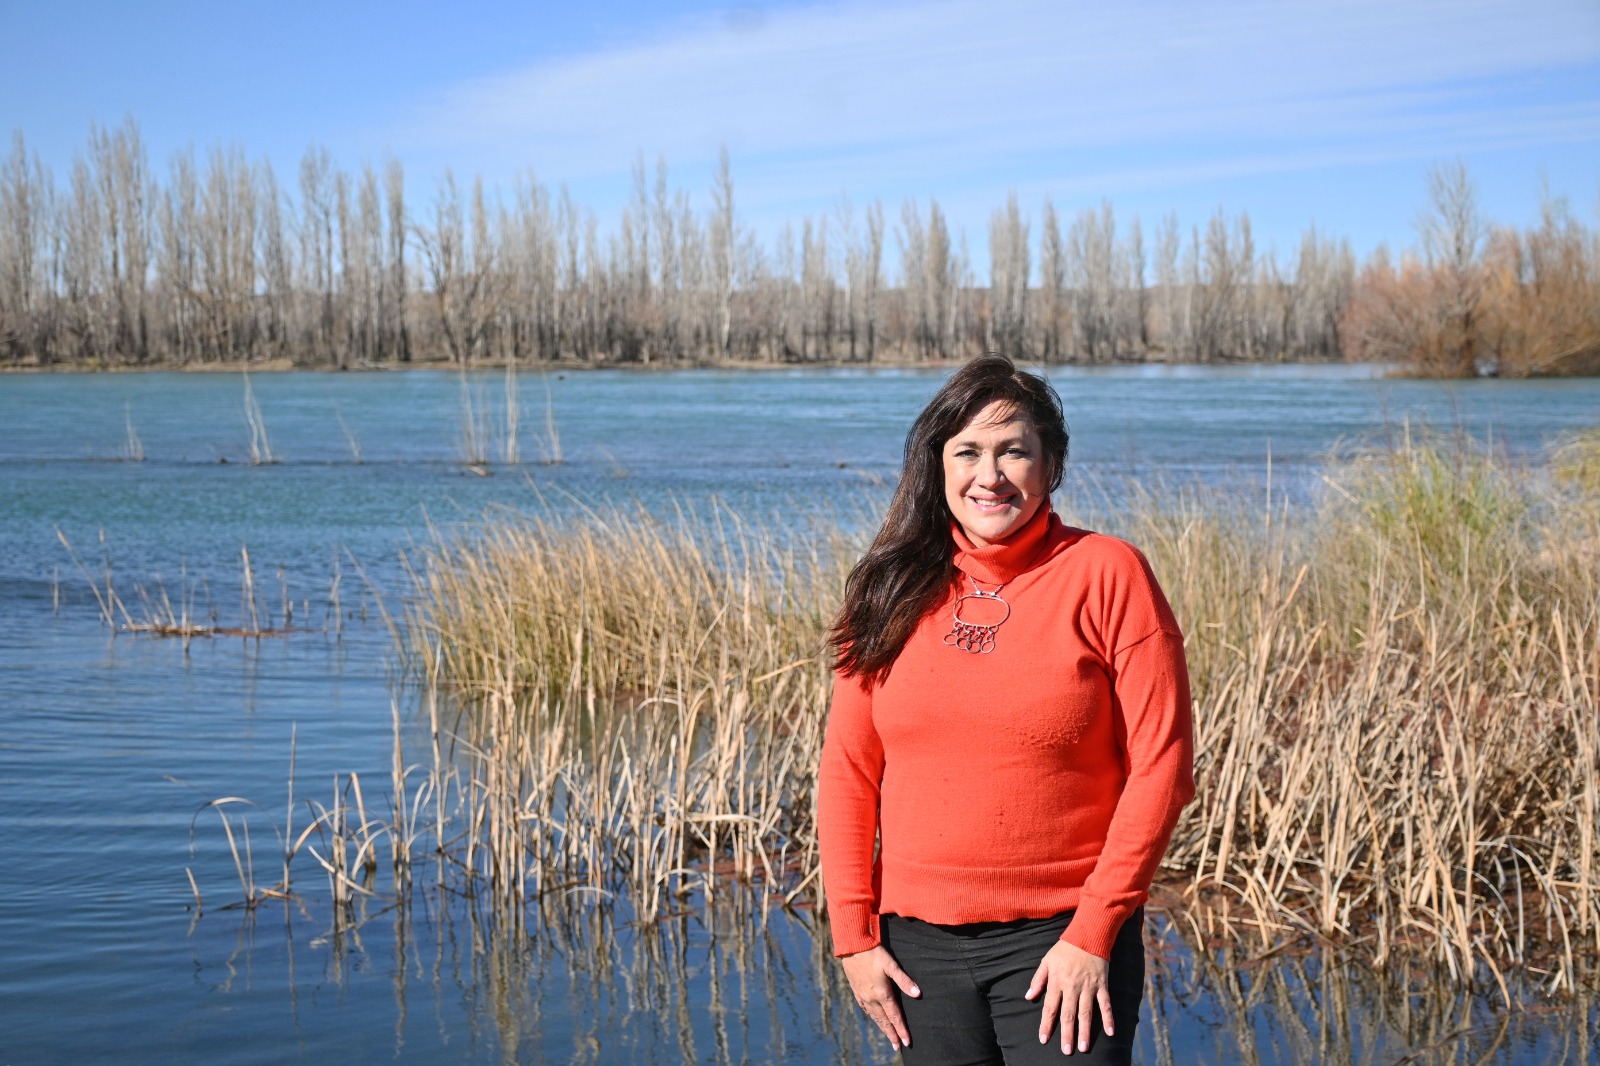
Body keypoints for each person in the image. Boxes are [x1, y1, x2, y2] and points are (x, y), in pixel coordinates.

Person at [818, 354, 1194, 1064]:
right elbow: (848, 773)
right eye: (967, 452)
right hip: (916, 952)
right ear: (937, 466)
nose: (988, 475)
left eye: (1013, 451)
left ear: (1050, 465)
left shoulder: (1107, 573)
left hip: (1063, 943)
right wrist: (853, 938)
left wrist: (1094, 932)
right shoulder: (889, 589)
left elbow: (1163, 769)